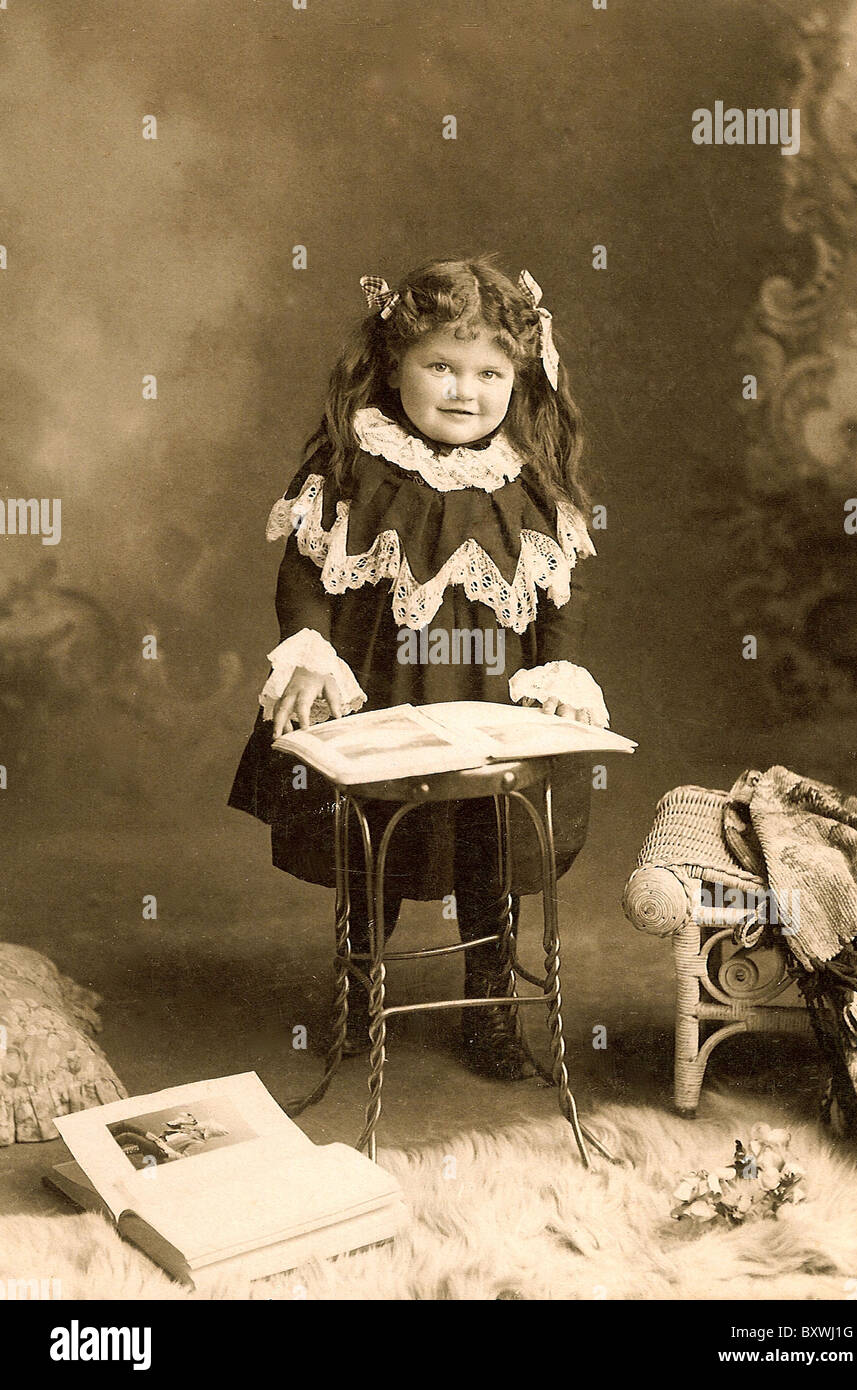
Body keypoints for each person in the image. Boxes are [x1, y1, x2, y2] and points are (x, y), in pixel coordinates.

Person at [229, 256, 609, 1080]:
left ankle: (489, 1004)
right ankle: (363, 983)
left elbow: (558, 596)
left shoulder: (526, 483)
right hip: (385, 693)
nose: (463, 390)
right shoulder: (353, 464)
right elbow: (303, 571)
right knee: (375, 844)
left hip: (488, 703)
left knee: (489, 845)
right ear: (393, 363)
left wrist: (562, 671)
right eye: (440, 365)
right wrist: (310, 646)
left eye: (488, 372)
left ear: (519, 377)